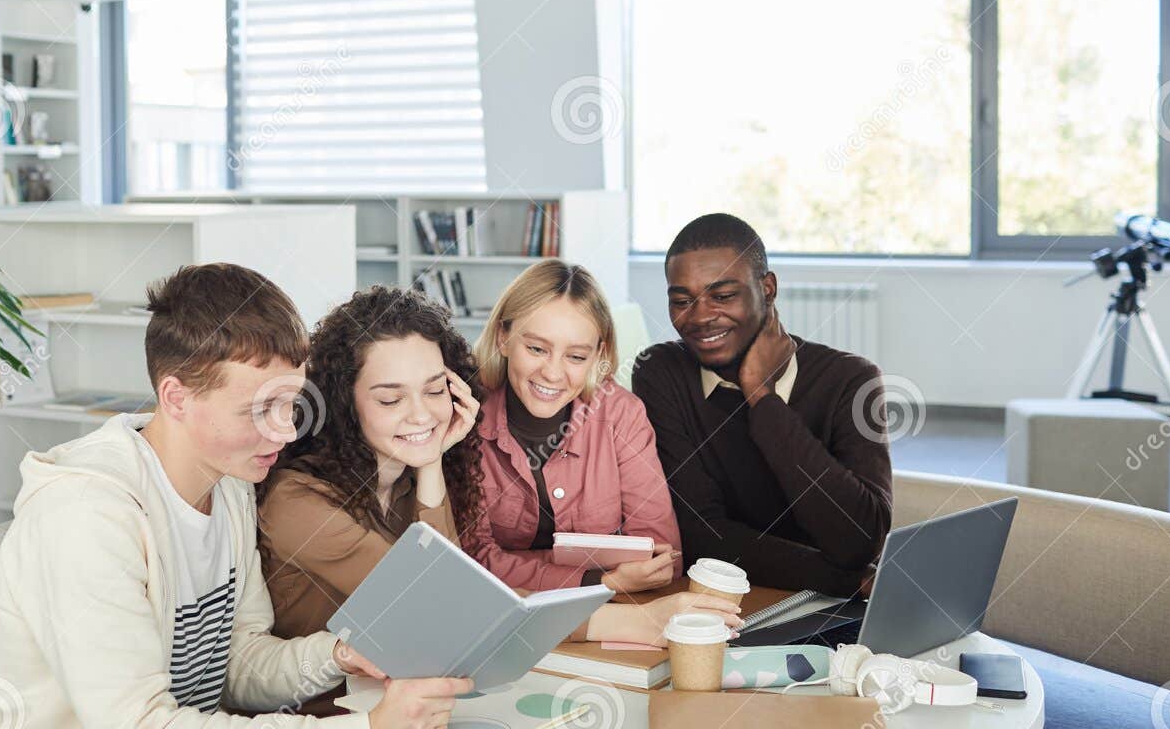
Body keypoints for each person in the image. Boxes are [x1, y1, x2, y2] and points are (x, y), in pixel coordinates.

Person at [0, 264, 471, 729]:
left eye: (292, 404)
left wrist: (334, 654)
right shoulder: (86, 519)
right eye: (258, 410)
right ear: (176, 398)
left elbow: (237, 665)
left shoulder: (229, 487)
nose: (287, 433)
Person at [260, 286, 734, 675]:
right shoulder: (298, 502)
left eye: (433, 390)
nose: (421, 414)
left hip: (402, 689)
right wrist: (636, 621)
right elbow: (450, 606)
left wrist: (431, 463)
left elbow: (468, 591)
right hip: (321, 715)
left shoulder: (408, 481)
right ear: (345, 402)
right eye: (390, 400)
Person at [631, 214, 892, 596]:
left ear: (767, 288)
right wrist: (847, 580)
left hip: (827, 609)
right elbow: (700, 534)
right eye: (682, 301)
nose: (700, 316)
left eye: (722, 296)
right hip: (723, 601)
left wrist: (762, 398)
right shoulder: (660, 372)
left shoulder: (851, 379)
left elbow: (859, 540)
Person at [465, 260, 684, 594]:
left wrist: (516, 565)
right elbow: (470, 561)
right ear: (503, 338)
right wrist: (598, 579)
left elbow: (659, 558)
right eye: (537, 348)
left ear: (599, 355)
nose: (553, 373)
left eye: (576, 357)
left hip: (612, 614)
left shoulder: (622, 415)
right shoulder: (465, 417)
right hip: (495, 608)